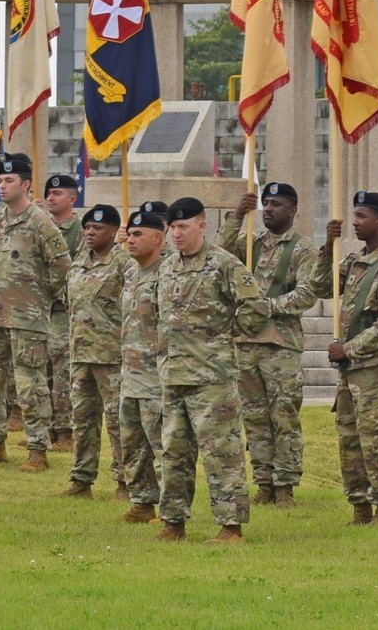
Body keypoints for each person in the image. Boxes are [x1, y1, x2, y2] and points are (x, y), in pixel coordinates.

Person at [155, 196, 270, 543]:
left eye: (183, 227)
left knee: (222, 453)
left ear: (202, 225)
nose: (176, 234)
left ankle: (230, 526)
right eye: (172, 228)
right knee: (174, 453)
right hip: (173, 375)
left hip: (211, 378)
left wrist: (225, 334)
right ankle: (173, 522)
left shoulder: (224, 264)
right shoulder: (166, 266)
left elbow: (257, 308)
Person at [312, 190, 378, 525]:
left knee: (377, 439)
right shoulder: (352, 261)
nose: (354, 222)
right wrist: (328, 248)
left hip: (375, 369)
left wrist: (349, 349)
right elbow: (321, 286)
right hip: (349, 370)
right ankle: (359, 507)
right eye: (354, 216)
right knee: (350, 440)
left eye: (361, 217)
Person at [0, 152, 70, 470]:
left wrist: (42, 298)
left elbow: (63, 266)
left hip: (28, 318)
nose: (3, 185)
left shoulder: (41, 223)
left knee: (30, 386)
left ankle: (38, 449)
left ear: (25, 184)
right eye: (0, 180)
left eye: (9, 180)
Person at [220, 181, 321, 506]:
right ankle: (263, 482)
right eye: (266, 203)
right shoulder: (250, 243)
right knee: (254, 417)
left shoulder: (304, 249)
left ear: (292, 210)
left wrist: (267, 306)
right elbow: (219, 255)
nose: (269, 209)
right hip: (245, 343)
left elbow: (307, 292)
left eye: (276, 204)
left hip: (280, 346)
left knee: (284, 416)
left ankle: (285, 486)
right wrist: (237, 216)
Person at [62, 203, 130, 499]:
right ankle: (82, 479)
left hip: (111, 355)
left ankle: (126, 482)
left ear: (115, 232)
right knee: (82, 420)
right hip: (80, 353)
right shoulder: (79, 261)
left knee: (119, 422)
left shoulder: (124, 263)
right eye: (88, 227)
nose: (90, 232)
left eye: (98, 228)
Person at [116, 204, 169, 523]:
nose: (131, 240)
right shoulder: (131, 273)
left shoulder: (169, 274)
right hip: (130, 375)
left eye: (138, 234)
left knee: (163, 446)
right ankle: (141, 502)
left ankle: (169, 507)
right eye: (130, 234)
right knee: (132, 444)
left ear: (158, 238)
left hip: (156, 377)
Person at [41, 172, 84, 451]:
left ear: (72, 198)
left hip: (62, 310)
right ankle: (47, 431)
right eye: (48, 194)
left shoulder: (79, 231)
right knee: (41, 372)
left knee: (61, 371)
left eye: (57, 194)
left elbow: (78, 270)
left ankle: (66, 433)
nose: (50, 198)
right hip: (38, 310)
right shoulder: (39, 227)